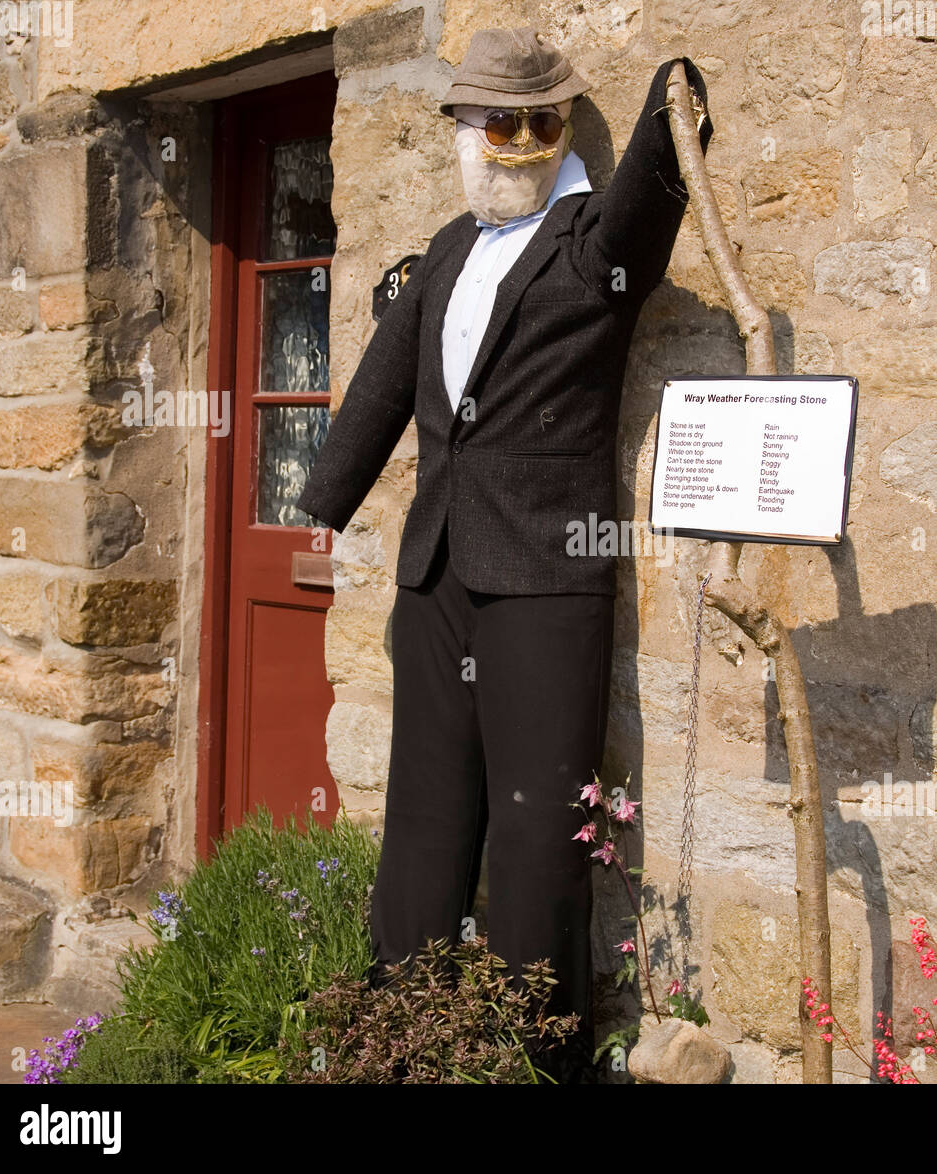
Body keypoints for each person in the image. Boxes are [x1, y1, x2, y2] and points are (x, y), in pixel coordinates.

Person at [295, 26, 713, 1084]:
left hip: (544, 581)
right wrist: (324, 502)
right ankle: (401, 1041)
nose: (482, 143)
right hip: (434, 573)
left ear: (540, 129)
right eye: (472, 121)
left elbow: (649, 196)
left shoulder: (589, 247)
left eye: (501, 122)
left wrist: (678, 93)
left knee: (536, 836)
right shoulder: (445, 247)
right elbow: (388, 381)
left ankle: (534, 1057)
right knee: (425, 816)